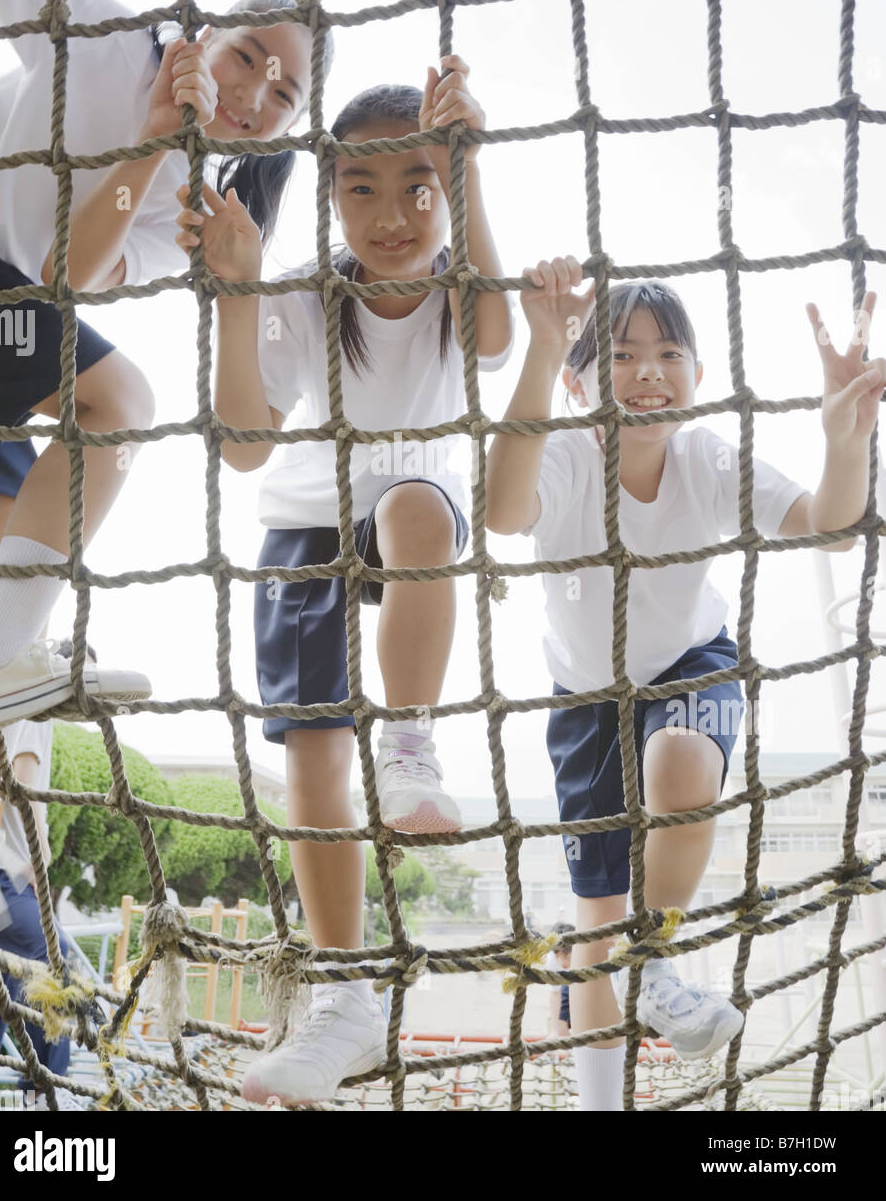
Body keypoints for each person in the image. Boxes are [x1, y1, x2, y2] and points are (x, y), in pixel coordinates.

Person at [0, 0, 322, 962]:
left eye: (285, 90)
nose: (257, 90)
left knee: (12, 585)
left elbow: (69, 272)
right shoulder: (114, 37)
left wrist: (161, 150)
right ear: (203, 34)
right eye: (248, 55)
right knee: (121, 395)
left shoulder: (193, 201)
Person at [175, 60, 513, 1104]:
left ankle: (408, 743)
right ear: (330, 200)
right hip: (304, 519)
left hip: (406, 505)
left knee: (416, 505)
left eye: (416, 185)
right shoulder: (311, 296)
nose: (392, 212)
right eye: (359, 189)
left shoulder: (457, 289)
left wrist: (467, 169)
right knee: (314, 759)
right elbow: (239, 442)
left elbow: (498, 337)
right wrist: (235, 293)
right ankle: (343, 994)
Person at [486, 257, 885, 1111]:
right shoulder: (560, 453)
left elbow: (830, 528)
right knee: (597, 920)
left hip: (690, 664)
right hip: (585, 700)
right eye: (621, 355)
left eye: (668, 354)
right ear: (577, 379)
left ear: (698, 376)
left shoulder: (705, 457)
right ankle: (603, 1090)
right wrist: (541, 346)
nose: (647, 373)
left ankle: (655, 960)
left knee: (677, 764)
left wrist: (844, 441)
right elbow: (503, 512)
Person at [0, 718, 84, 1110]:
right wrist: (40, 849)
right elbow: (23, 779)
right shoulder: (36, 712)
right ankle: (43, 1096)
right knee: (54, 960)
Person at [547, 921, 573, 1037]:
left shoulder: (584, 954)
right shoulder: (552, 959)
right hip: (566, 984)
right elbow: (555, 993)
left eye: (566, 956)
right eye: (558, 956)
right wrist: (554, 1030)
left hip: (585, 983)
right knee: (560, 1028)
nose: (562, 961)